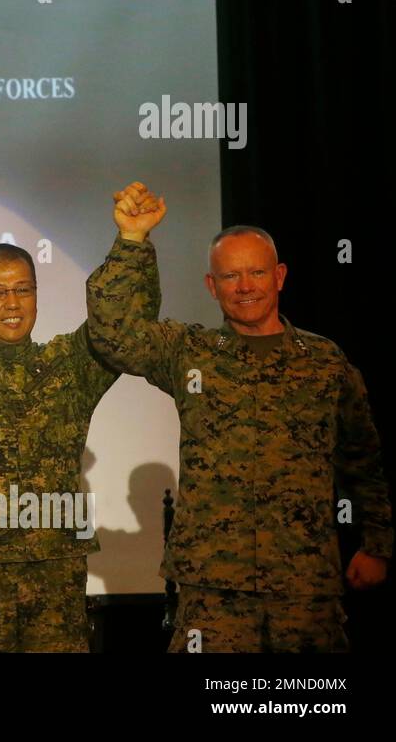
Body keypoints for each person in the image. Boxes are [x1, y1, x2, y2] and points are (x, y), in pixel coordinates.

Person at [86, 182, 391, 652]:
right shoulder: (191, 352)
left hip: (304, 585)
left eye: (256, 273)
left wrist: (376, 543)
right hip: (214, 588)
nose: (245, 287)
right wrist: (131, 241)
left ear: (280, 276)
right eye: (230, 277)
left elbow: (363, 459)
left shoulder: (325, 362)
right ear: (212, 285)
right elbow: (113, 335)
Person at [0, 172, 149, 652]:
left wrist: (131, 244)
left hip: (55, 577)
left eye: (23, 290)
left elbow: (118, 331)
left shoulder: (69, 365)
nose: (12, 303)